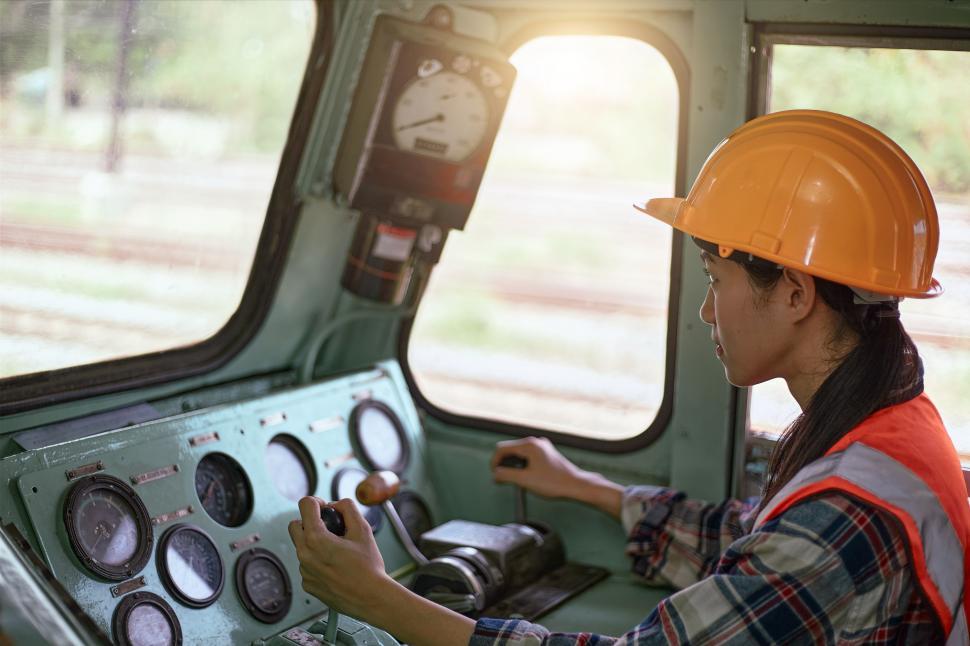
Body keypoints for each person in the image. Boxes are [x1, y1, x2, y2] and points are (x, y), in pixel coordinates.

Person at [289, 110, 970, 644]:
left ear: (795, 293)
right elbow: (756, 544)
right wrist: (591, 489)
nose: (706, 310)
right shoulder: (894, 426)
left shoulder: (844, 515)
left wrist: (377, 599)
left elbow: (791, 554)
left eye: (715, 279)